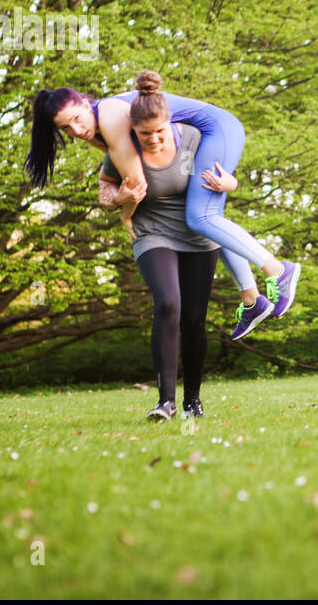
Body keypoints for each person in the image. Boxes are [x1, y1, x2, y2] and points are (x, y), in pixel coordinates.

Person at [27, 72, 301, 340]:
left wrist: (125, 216)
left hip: (216, 130)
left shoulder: (109, 115)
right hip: (202, 139)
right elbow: (125, 173)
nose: (76, 130)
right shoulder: (99, 128)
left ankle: (278, 271)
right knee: (209, 222)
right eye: (65, 128)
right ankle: (252, 301)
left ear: (86, 103)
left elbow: (136, 183)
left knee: (200, 218)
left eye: (76, 119)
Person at [98, 86, 240, 420]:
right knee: (168, 303)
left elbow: (229, 178)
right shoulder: (123, 147)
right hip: (152, 233)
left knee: (194, 318)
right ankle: (165, 402)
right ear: (133, 129)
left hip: (198, 236)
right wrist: (120, 199)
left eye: (160, 131)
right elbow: (104, 190)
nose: (154, 139)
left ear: (170, 123)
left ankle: (193, 401)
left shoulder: (192, 137)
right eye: (145, 133)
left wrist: (228, 184)